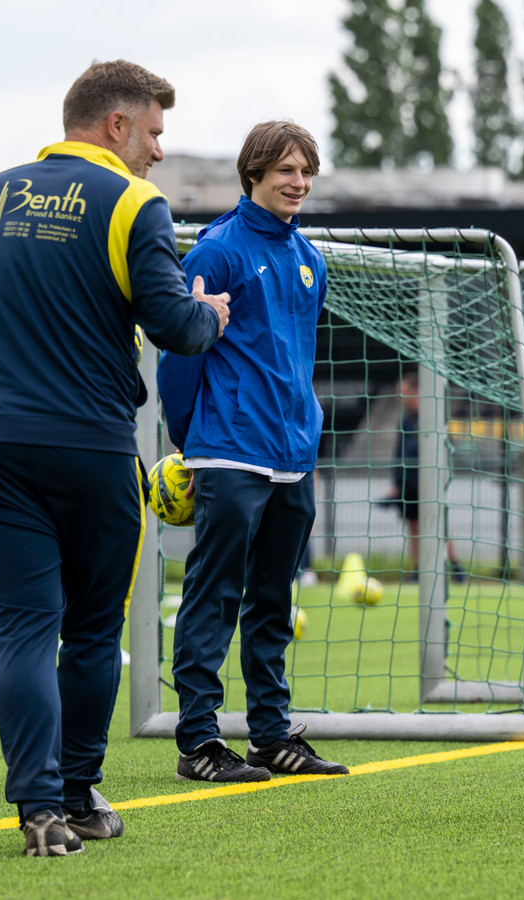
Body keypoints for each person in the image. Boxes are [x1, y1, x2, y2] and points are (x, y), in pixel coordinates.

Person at [0, 60, 229, 856]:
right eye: (156, 133)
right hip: (92, 448)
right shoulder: (135, 203)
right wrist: (210, 313)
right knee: (94, 633)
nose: (160, 153)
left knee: (24, 626)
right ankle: (78, 793)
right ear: (117, 126)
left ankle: (37, 810)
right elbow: (175, 327)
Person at [157, 121, 348, 784]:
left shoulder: (311, 258)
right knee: (213, 594)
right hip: (228, 451)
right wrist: (194, 440)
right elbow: (180, 351)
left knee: (274, 597)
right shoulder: (217, 250)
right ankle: (199, 740)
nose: (297, 182)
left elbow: (296, 359)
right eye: (284, 171)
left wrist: (307, 425)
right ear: (253, 175)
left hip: (293, 450)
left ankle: (270, 734)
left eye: (305, 172)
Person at [384, 371, 466, 582]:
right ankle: (419, 570)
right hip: (408, 484)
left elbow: (449, 446)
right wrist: (396, 483)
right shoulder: (405, 421)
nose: (400, 398)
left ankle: (454, 567)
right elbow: (398, 451)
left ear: (416, 392)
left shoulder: (434, 417)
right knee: (413, 525)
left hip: (430, 482)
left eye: (404, 393)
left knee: (439, 525)